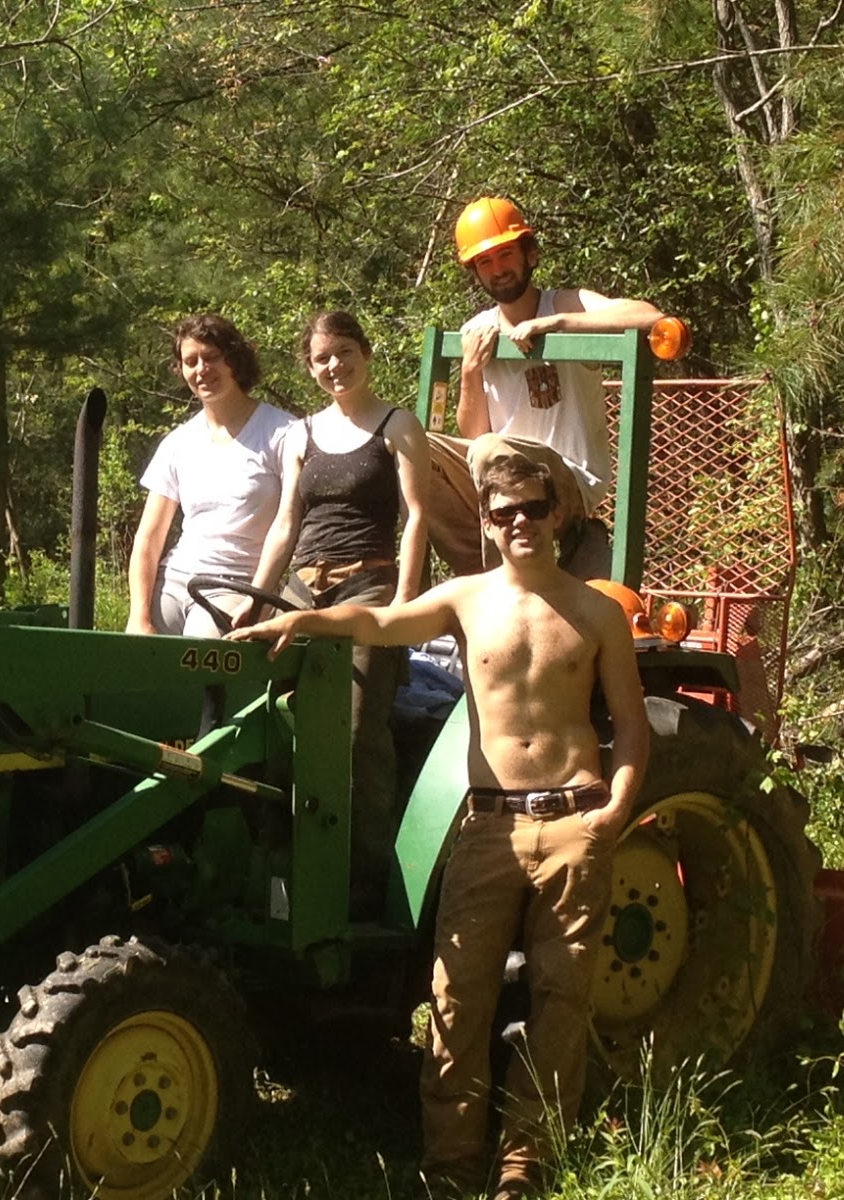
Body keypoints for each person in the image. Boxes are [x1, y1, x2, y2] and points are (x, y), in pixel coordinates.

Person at [230, 457, 648, 1200]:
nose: (517, 521)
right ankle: (451, 1167)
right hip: (487, 827)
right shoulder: (465, 599)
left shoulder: (596, 612)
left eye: (530, 506)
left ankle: (527, 1165)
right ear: (487, 526)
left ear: (557, 514)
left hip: (574, 822)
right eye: (501, 513)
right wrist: (305, 618)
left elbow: (632, 725)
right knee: (457, 998)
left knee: (562, 999)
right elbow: (382, 622)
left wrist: (616, 805)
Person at [240, 310, 430, 908]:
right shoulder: (300, 435)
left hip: (367, 586)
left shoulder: (397, 426)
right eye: (322, 358)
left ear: (365, 354)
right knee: (264, 720)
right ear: (310, 367)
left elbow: (417, 515)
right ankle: (279, 874)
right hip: (302, 585)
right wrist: (253, 601)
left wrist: (403, 599)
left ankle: (364, 883)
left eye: (344, 352)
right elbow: (285, 525)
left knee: (355, 731)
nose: (334, 366)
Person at [427, 196, 664, 580]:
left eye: (505, 254)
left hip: (566, 481)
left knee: (490, 450)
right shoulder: (479, 329)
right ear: (475, 272)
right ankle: (478, 569)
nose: (498, 269)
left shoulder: (567, 304)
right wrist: (471, 370)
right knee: (414, 447)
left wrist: (559, 323)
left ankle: (502, 586)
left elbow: (651, 317)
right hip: (500, 486)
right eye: (485, 261)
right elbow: (473, 435)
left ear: (530, 254)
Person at [125, 314, 294, 637]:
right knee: (130, 666)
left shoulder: (283, 433)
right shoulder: (178, 443)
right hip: (174, 581)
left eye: (211, 357)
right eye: (191, 361)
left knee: (197, 657)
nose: (201, 369)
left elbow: (290, 525)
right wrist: (139, 615)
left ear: (233, 359)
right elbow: (148, 539)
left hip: (238, 586)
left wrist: (260, 597)